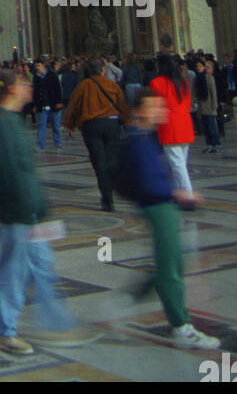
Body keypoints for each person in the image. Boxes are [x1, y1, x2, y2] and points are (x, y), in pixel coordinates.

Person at [0, 68, 80, 354]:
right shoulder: (1, 126)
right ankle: (5, 332)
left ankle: (59, 324)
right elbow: (9, 175)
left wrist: (40, 207)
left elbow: (27, 171)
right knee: (12, 272)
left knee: (43, 267)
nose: (30, 89)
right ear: (11, 89)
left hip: (29, 212)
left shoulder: (14, 122)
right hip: (15, 214)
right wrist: (24, 209)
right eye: (25, 84)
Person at [116, 89, 219, 349]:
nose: (159, 111)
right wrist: (182, 194)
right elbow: (149, 183)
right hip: (157, 207)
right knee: (171, 267)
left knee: (172, 262)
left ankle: (130, 299)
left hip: (163, 205)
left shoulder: (146, 137)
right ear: (139, 111)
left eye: (161, 107)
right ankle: (181, 325)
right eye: (153, 107)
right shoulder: (139, 141)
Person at [63, 57, 129, 211]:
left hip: (91, 126)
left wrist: (69, 124)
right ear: (103, 70)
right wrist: (127, 122)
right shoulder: (112, 85)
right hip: (112, 125)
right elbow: (122, 106)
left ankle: (107, 199)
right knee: (112, 160)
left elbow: (73, 106)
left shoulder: (83, 86)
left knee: (99, 163)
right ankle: (111, 188)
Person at [149, 52, 195, 191]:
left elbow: (155, 106)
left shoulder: (156, 83)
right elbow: (187, 105)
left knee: (177, 164)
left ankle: (187, 194)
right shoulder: (183, 83)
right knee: (180, 163)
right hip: (185, 124)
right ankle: (179, 192)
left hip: (169, 126)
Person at [32, 58, 63, 151]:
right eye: (36, 66)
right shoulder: (36, 77)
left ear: (43, 65)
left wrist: (59, 102)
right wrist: (35, 104)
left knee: (56, 126)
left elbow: (58, 89)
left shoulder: (52, 75)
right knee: (41, 126)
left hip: (53, 104)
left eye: (39, 66)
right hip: (42, 105)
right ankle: (40, 144)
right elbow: (35, 92)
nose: (37, 68)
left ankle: (58, 143)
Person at [194, 57, 221, 153]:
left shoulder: (209, 78)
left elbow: (213, 93)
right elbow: (195, 93)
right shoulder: (197, 78)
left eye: (200, 66)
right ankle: (209, 144)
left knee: (212, 127)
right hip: (201, 107)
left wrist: (214, 106)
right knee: (205, 128)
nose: (198, 68)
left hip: (209, 106)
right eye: (197, 66)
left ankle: (216, 144)